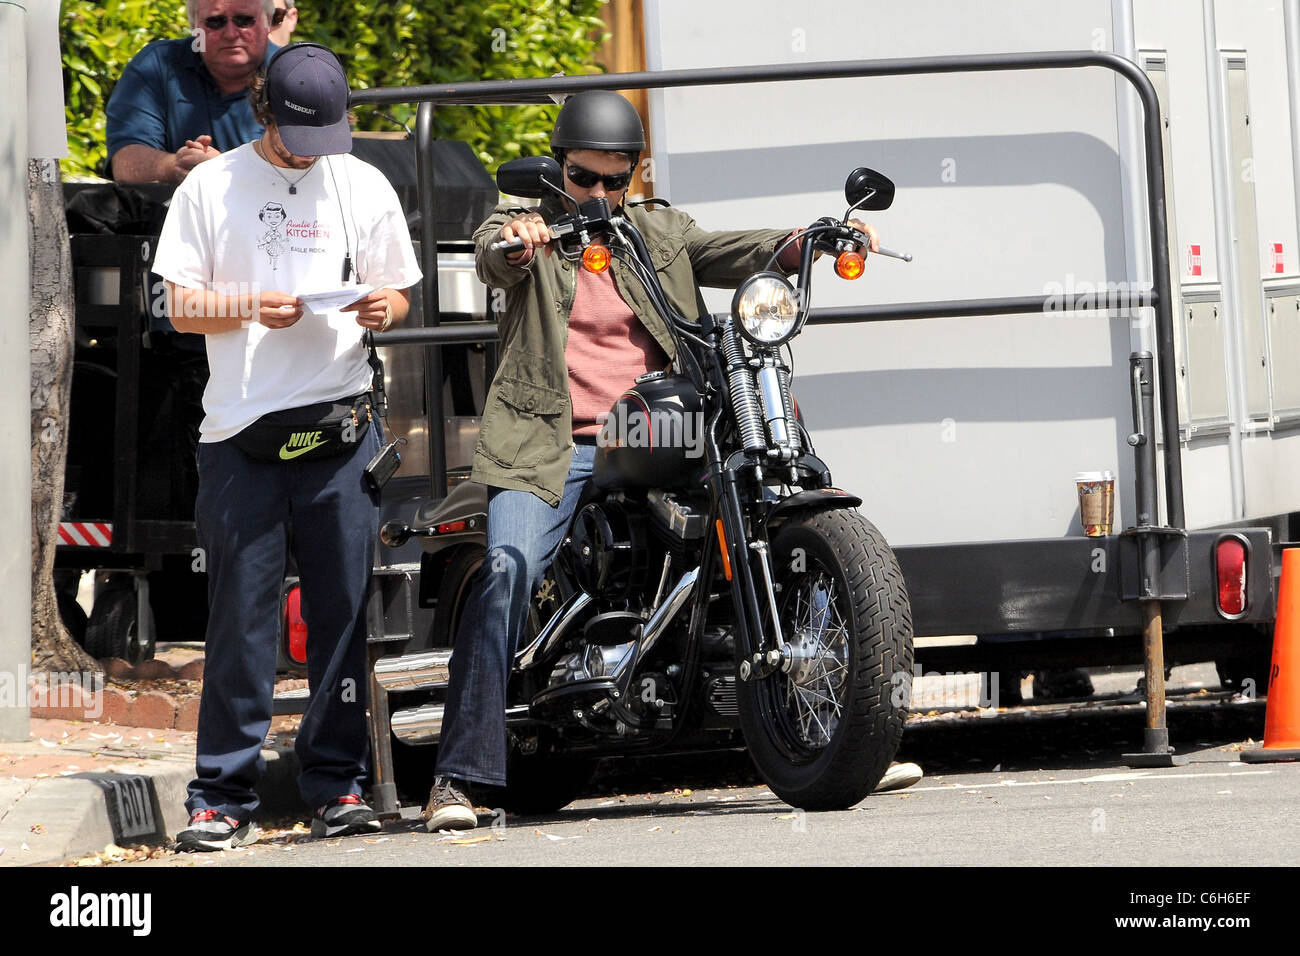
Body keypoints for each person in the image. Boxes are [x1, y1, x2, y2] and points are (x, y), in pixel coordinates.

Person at [422, 91, 881, 831]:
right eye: (583, 178)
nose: (599, 194)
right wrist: (518, 242)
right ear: (557, 169)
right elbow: (493, 257)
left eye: (615, 180)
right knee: (506, 565)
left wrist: (816, 238)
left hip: (662, 432)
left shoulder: (659, 231)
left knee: (784, 487)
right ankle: (457, 777)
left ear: (635, 174)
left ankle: (856, 732)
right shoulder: (524, 230)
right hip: (556, 443)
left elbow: (741, 250)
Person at [153, 43, 421, 851]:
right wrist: (247, 306)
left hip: (339, 425)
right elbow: (178, 308)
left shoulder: (361, 179)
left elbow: (400, 290)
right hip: (241, 433)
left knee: (342, 615)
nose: (315, 152)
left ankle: (336, 784)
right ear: (264, 114)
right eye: (302, 135)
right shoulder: (211, 185)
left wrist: (386, 309)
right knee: (241, 620)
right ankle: (221, 796)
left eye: (330, 135)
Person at [105, 0, 277, 184]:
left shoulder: (297, 73)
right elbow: (124, 162)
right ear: (194, 26)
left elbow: (306, 163)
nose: (231, 33)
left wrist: (224, 169)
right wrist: (176, 165)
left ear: (268, 22)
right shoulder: (157, 66)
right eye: (215, 21)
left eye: (244, 20)